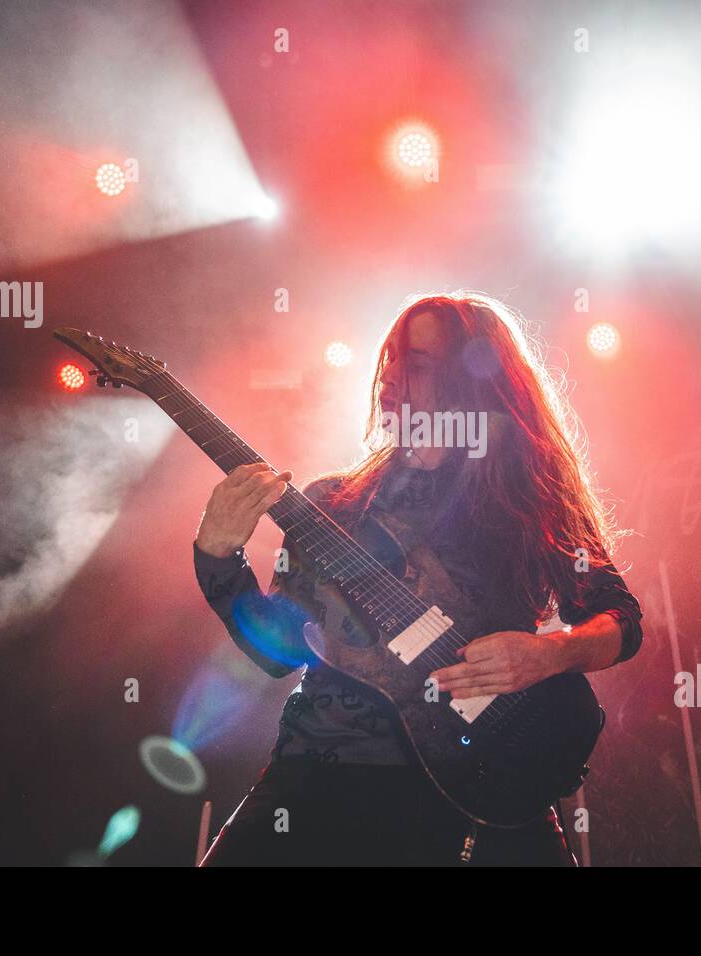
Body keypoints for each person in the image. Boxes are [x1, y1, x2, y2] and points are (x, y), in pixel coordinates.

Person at [193, 291, 643, 866]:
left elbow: (620, 618)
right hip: (321, 770)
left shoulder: (527, 497)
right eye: (391, 359)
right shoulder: (332, 503)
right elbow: (278, 650)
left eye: (419, 363)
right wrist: (218, 554)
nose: (393, 377)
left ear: (472, 381)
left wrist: (548, 655)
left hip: (478, 773)